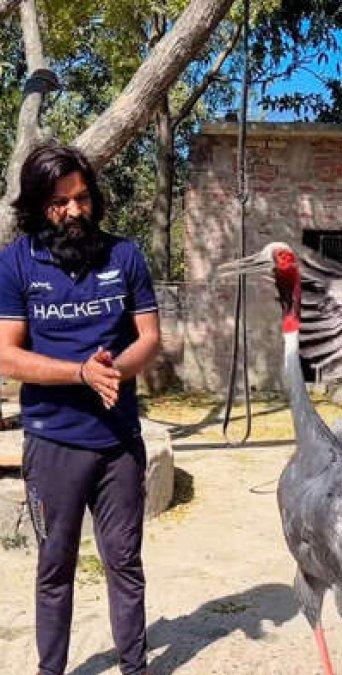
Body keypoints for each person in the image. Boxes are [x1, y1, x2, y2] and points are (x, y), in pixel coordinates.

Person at [0, 143, 161, 675]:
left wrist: (111, 369)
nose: (74, 210)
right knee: (54, 568)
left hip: (118, 443)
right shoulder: (16, 263)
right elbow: (7, 355)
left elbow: (150, 339)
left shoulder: (125, 256)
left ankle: (135, 667)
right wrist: (79, 373)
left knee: (125, 564)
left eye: (83, 197)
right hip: (53, 442)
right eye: (60, 202)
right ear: (36, 207)